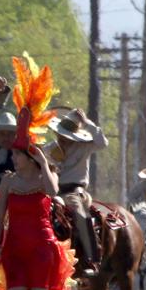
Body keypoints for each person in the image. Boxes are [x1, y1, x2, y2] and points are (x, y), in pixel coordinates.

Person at [0, 55, 91, 290]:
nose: (14, 159)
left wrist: (42, 162)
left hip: (43, 250)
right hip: (15, 249)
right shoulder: (8, 181)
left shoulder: (42, 178)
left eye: (19, 155)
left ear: (29, 156)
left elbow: (53, 188)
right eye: (15, 155)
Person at [44, 108, 109, 277]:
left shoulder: (84, 147)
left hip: (74, 191)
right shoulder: (50, 148)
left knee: (81, 215)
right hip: (51, 191)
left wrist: (88, 124)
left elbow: (102, 143)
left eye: (66, 136)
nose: (63, 139)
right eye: (61, 135)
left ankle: (92, 258)